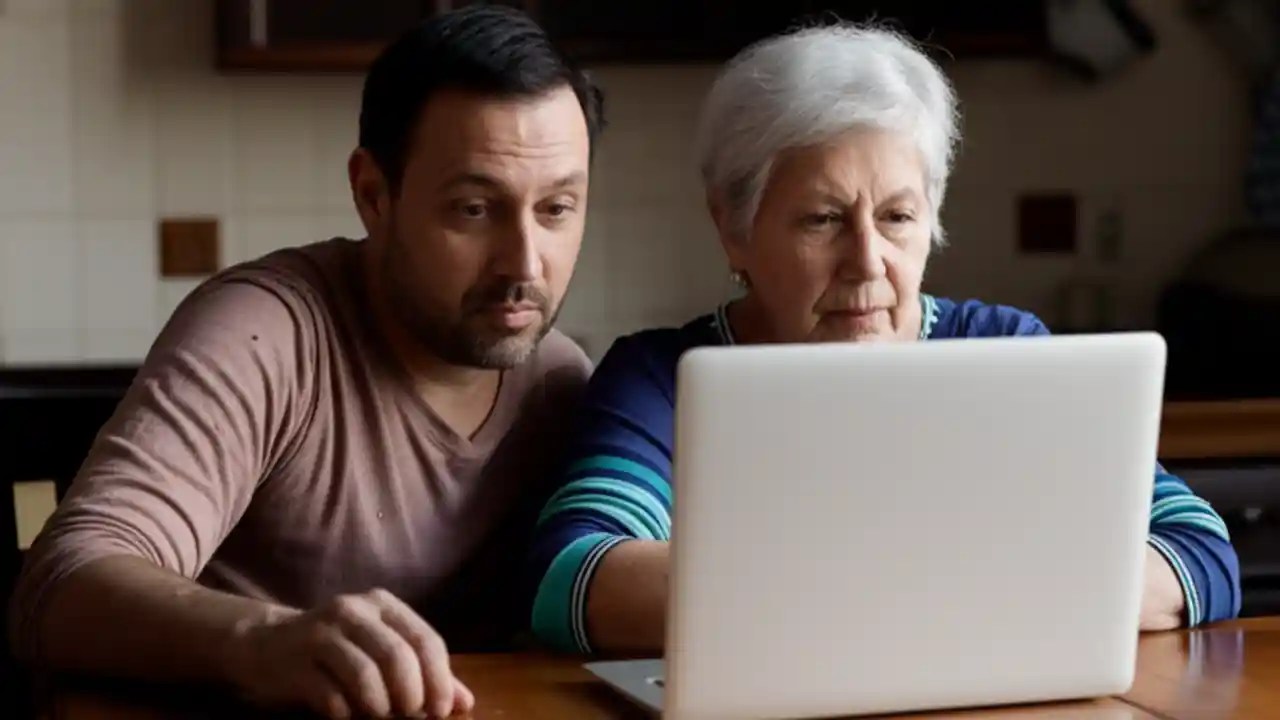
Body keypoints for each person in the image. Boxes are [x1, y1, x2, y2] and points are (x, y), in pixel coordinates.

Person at [524, 22, 1241, 655]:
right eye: (823, 220)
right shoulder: (662, 380)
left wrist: (866, 596)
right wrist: (973, 585)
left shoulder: (1004, 353)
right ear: (732, 228)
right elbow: (576, 579)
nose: (868, 261)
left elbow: (1195, 552)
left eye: (897, 217)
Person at [9, 5, 604, 718]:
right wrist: (264, 641)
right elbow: (61, 584)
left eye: (557, 209)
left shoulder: (565, 386)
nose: (524, 263)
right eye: (474, 209)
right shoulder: (269, 335)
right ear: (373, 195)